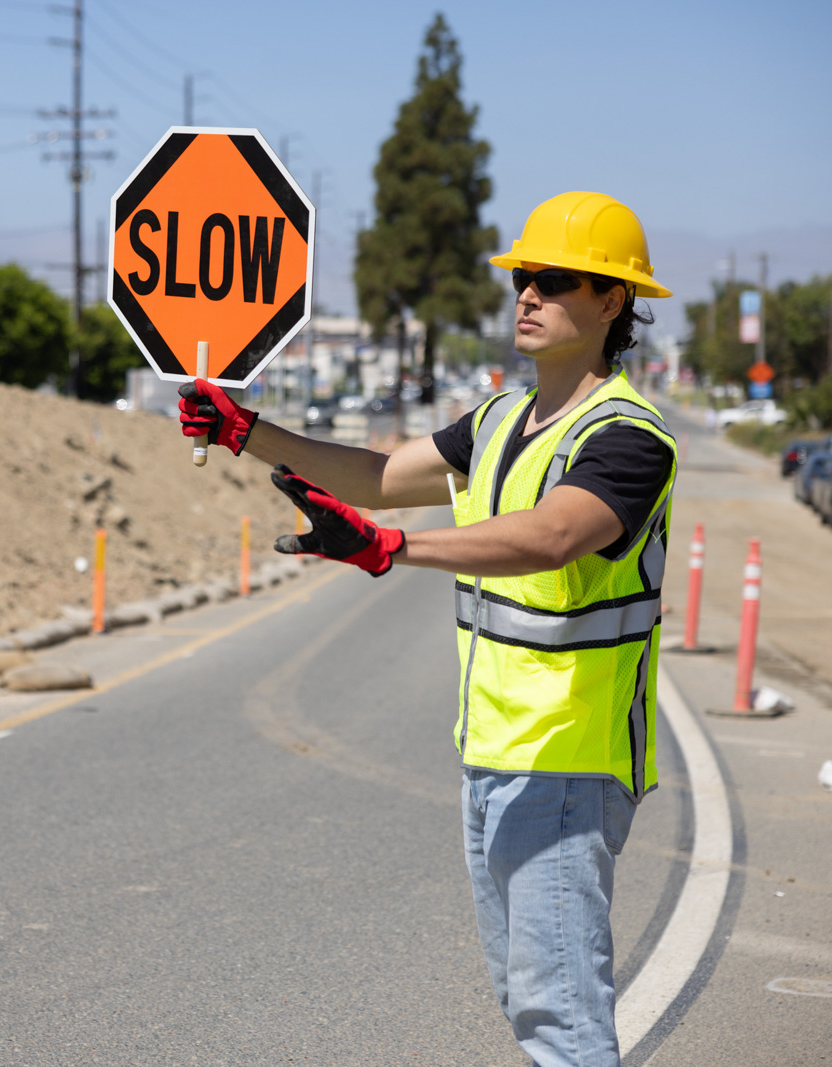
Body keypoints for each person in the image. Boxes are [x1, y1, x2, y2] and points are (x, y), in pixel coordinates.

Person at [178, 191, 677, 1067]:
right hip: (491, 756)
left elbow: (554, 533)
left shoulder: (628, 438)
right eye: (523, 275)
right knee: (531, 1002)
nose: (526, 292)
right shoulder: (494, 422)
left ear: (612, 303)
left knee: (561, 1020)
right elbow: (373, 475)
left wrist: (391, 549)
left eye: (554, 279)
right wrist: (245, 432)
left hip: (567, 763)